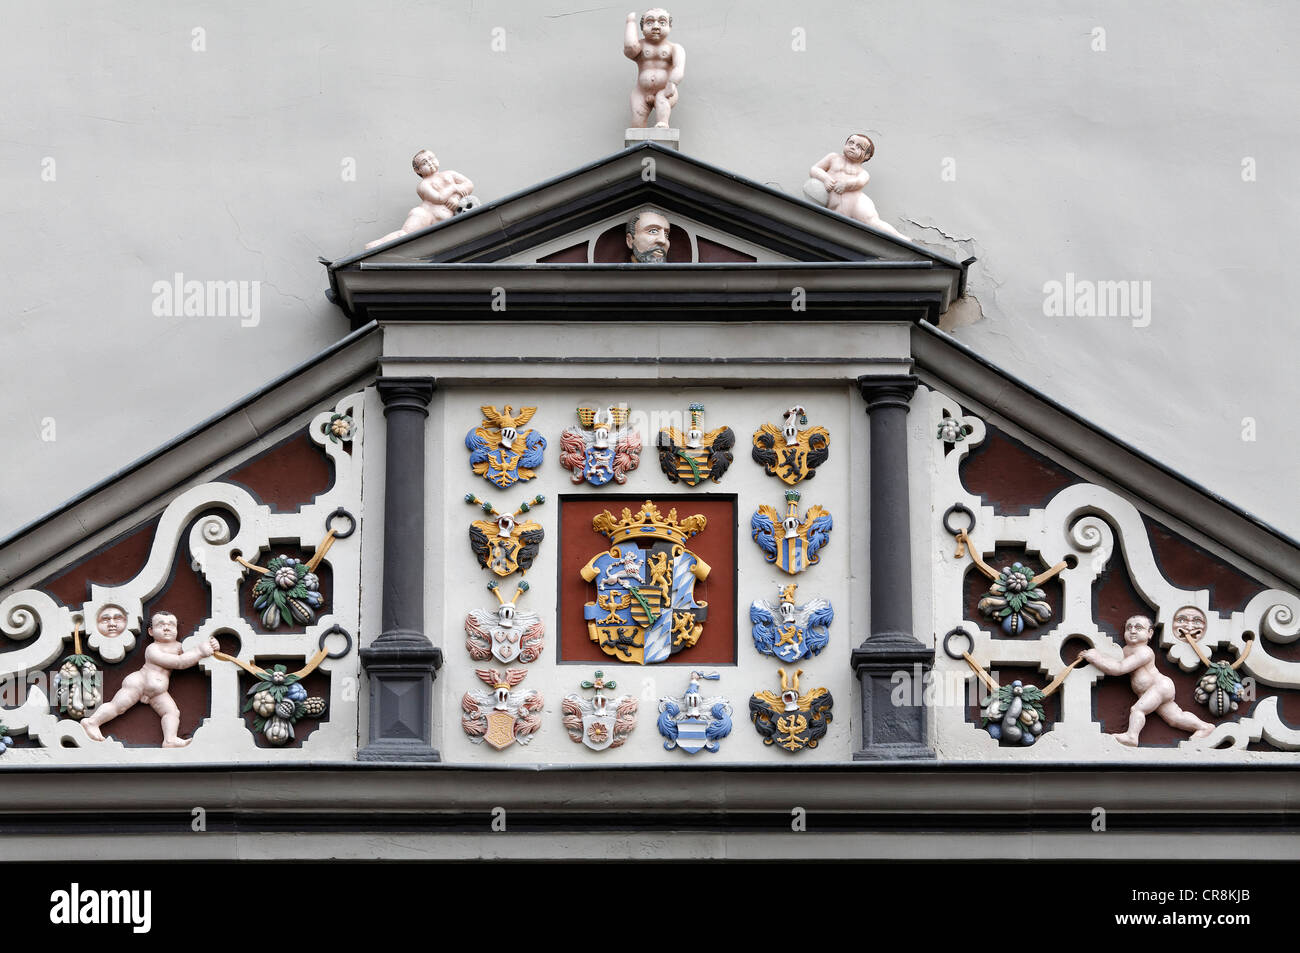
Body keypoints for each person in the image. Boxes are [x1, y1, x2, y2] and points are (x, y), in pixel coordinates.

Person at [81, 611, 219, 748]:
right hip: (139, 683)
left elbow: (190, 658)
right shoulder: (152, 649)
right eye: (161, 625)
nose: (166, 627)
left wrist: (211, 647)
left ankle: (170, 739)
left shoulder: (179, 647)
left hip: (157, 692)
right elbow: (180, 662)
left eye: (171, 625)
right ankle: (92, 722)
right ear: (151, 631)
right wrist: (200, 651)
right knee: (118, 706)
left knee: (171, 712)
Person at [1080, 615, 1215, 745]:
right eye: (1129, 628)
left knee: (1138, 710)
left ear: (1150, 633)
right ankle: (1203, 727)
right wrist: (1097, 656)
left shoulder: (1144, 651)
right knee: (1175, 718)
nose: (1132, 631)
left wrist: (1095, 659)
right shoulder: (1126, 650)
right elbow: (1113, 662)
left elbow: (1119, 668)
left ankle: (1132, 737)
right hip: (1154, 690)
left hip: (1160, 687)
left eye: (1138, 628)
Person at [366, 150, 474, 249]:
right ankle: (375, 246)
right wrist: (454, 187)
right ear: (417, 170)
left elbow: (469, 184)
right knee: (404, 235)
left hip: (439, 221)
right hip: (425, 215)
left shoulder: (450, 173)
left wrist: (457, 197)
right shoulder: (423, 185)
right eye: (424, 162)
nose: (430, 163)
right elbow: (439, 198)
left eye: (431, 159)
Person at [808, 133, 906, 238]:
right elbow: (815, 169)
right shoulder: (833, 158)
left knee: (873, 222)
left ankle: (901, 239)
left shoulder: (863, 173)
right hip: (834, 202)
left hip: (857, 203)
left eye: (859, 147)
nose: (853, 147)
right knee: (834, 226)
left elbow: (860, 181)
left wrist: (846, 185)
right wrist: (825, 178)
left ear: (867, 156)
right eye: (851, 143)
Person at [624, 10, 685, 129]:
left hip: (666, 90)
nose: (656, 27)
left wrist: (672, 83)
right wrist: (630, 23)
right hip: (641, 92)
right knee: (638, 119)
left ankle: (662, 124)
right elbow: (630, 49)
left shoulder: (675, 48)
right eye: (650, 22)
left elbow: (679, 68)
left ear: (669, 26)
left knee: (662, 101)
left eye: (662, 22)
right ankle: (638, 144)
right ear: (642, 28)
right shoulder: (640, 46)